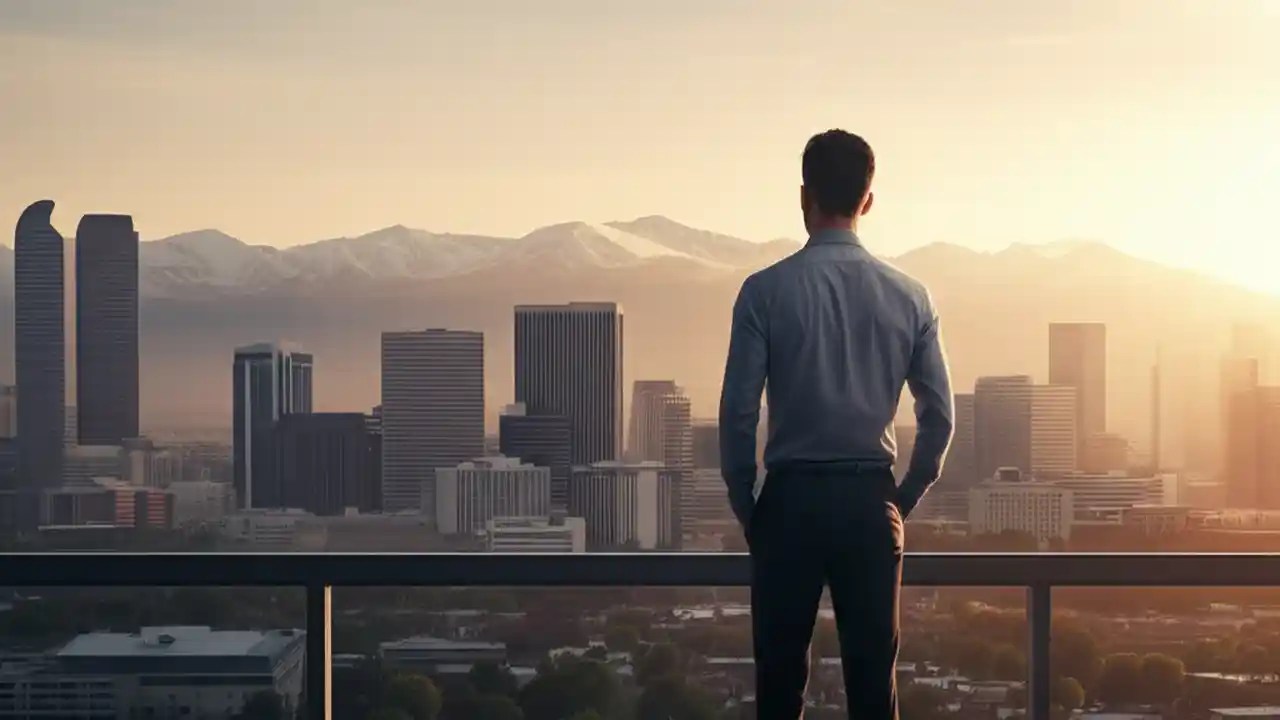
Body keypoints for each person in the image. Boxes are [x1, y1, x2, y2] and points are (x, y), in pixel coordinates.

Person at [718, 129, 954, 719]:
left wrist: (749, 506)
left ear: (805, 196)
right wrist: (900, 498)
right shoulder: (911, 297)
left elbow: (739, 413)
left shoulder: (763, 292)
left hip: (788, 503)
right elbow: (939, 418)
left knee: (778, 687)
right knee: (874, 689)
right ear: (867, 201)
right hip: (869, 502)